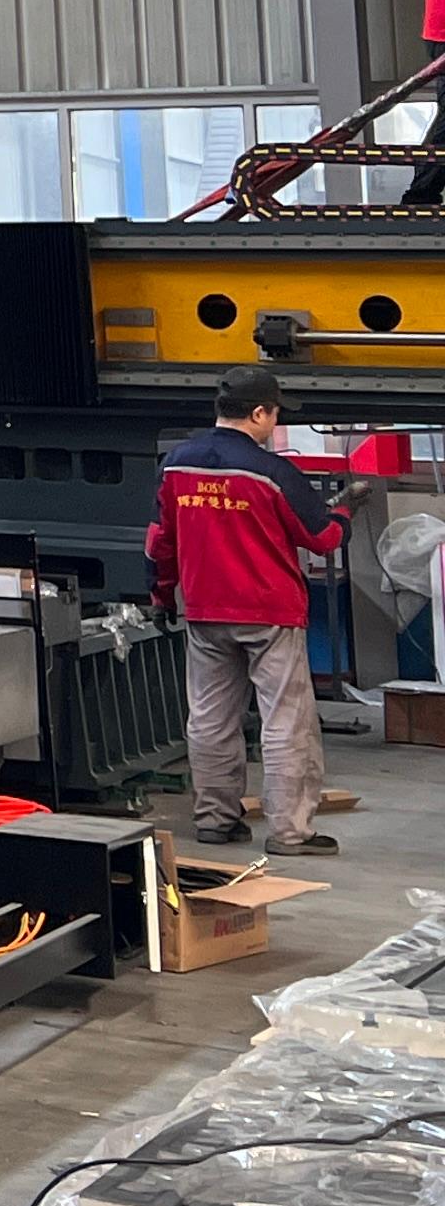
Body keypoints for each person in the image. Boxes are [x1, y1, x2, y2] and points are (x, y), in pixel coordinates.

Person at [147, 365, 355, 855]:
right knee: (285, 721)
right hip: (269, 613)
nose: (275, 423)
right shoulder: (273, 473)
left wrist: (161, 595)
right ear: (259, 413)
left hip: (204, 611)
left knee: (210, 718)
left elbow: (160, 541)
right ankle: (290, 833)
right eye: (276, 414)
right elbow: (323, 538)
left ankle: (215, 820)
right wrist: (345, 511)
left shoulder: (176, 465)